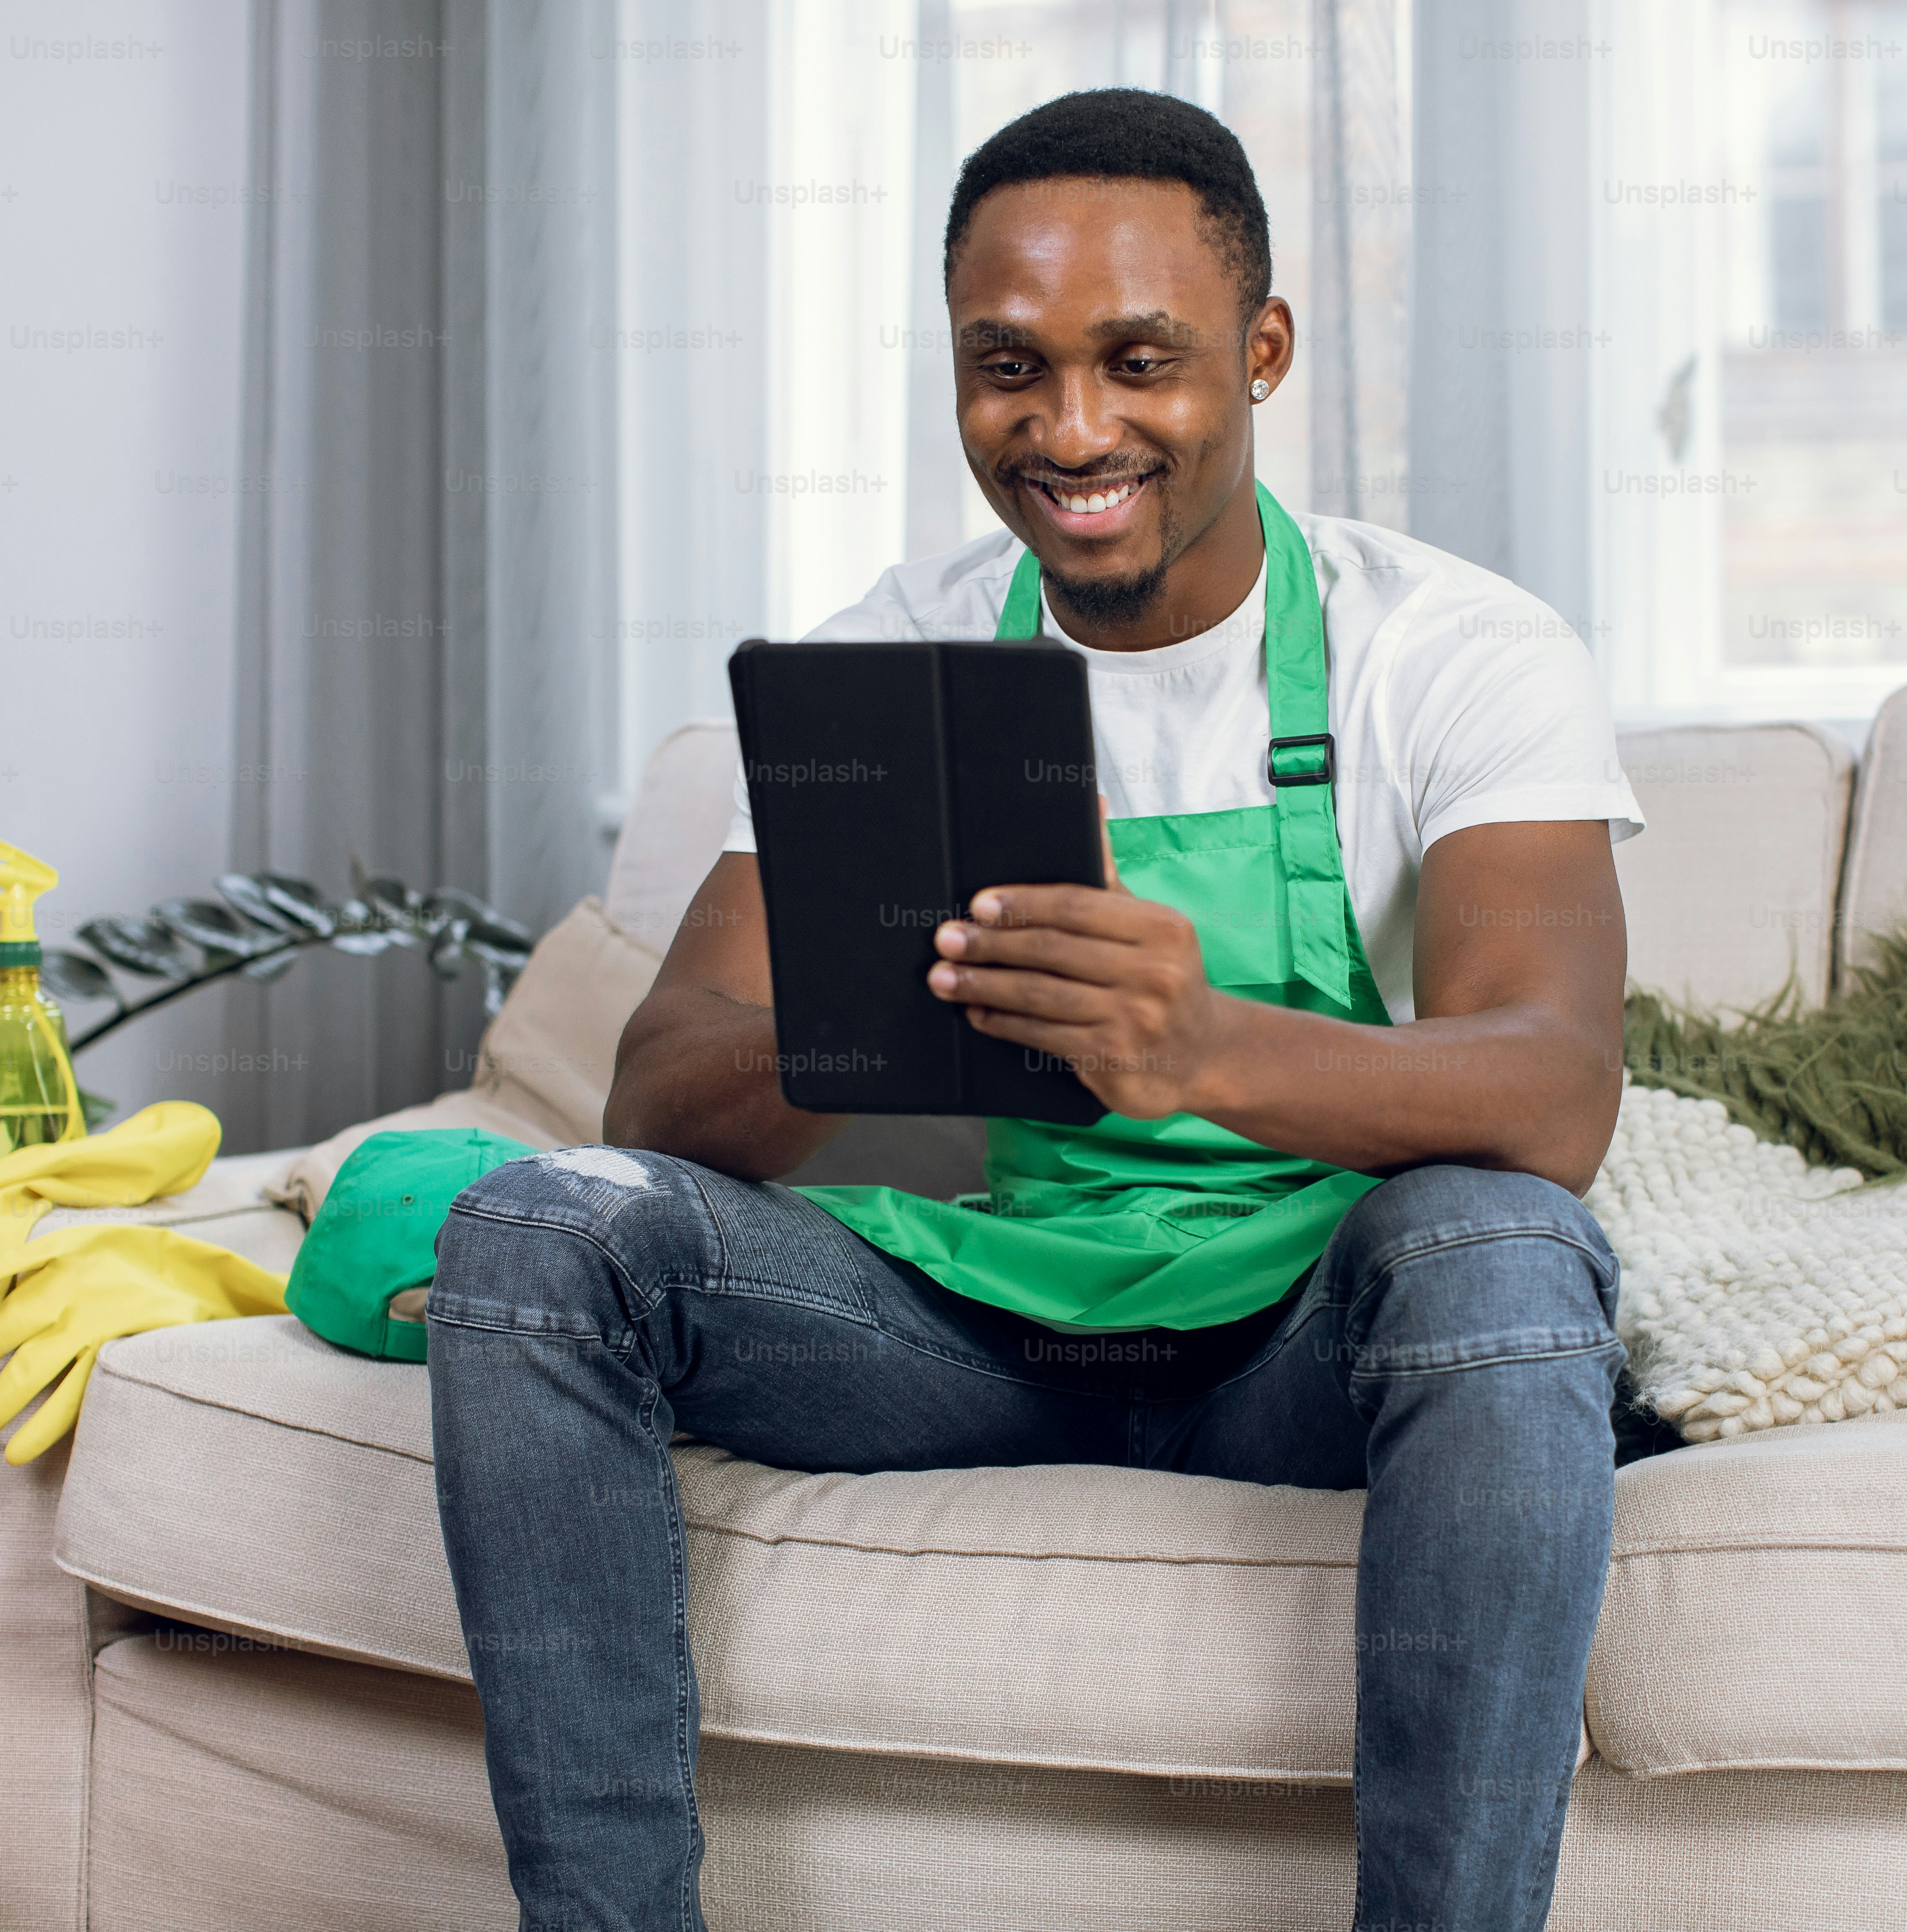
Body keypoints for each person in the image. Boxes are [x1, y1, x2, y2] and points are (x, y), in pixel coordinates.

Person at [429, 85, 1643, 1932]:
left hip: (1291, 1352)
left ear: (1261, 351)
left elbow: (1548, 1092)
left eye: (1136, 362)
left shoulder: (1453, 654)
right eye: (1009, 368)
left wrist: (1204, 1048)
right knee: (533, 1231)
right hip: (942, 1334)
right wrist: (911, 1043)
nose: (1071, 431)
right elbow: (655, 1093)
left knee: (1501, 1246)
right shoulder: (877, 667)